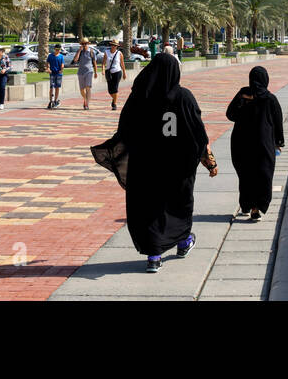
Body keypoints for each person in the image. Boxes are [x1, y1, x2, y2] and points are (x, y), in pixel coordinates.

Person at [91, 53, 217, 273]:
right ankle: (183, 242)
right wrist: (204, 157)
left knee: (149, 208)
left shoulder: (139, 97)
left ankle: (154, 255)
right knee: (178, 204)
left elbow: (126, 130)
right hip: (177, 166)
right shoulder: (183, 97)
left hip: (146, 165)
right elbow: (197, 131)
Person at [225, 66, 285, 221]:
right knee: (263, 175)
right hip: (263, 143)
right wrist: (279, 142)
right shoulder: (270, 98)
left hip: (241, 142)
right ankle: (255, 208)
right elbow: (278, 122)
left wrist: (242, 102)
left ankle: (246, 205)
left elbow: (230, 114)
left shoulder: (243, 94)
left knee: (246, 175)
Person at [71, 38, 98, 111]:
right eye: (83, 44)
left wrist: (96, 72)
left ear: (88, 44)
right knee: (81, 89)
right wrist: (79, 50)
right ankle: (85, 99)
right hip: (80, 72)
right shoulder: (80, 52)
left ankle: (87, 104)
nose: (84, 45)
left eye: (85, 44)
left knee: (88, 88)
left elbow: (95, 63)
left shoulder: (91, 52)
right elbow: (75, 60)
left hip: (89, 71)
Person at [105, 42, 127, 111]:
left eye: (115, 45)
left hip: (117, 72)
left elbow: (122, 64)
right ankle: (114, 98)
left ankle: (114, 104)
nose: (113, 46)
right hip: (109, 73)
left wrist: (124, 73)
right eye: (112, 45)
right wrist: (103, 69)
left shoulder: (119, 53)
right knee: (110, 90)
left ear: (117, 46)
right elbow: (103, 63)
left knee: (115, 88)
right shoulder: (106, 52)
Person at [46, 43, 66, 109]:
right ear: (54, 49)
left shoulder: (61, 56)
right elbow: (48, 63)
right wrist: (48, 68)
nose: (57, 51)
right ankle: (50, 101)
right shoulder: (50, 56)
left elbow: (62, 64)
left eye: (59, 49)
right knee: (51, 87)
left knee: (57, 87)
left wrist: (61, 69)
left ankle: (55, 100)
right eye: (56, 49)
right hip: (52, 73)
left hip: (58, 73)